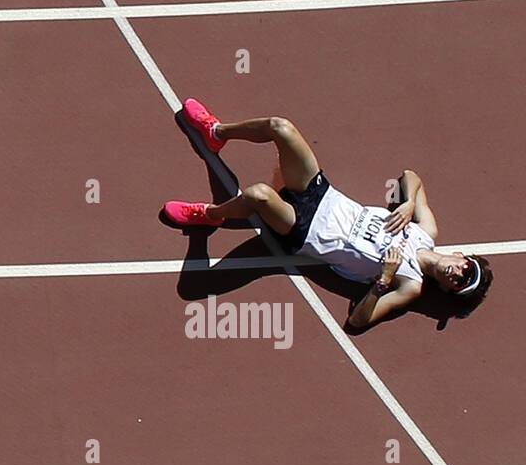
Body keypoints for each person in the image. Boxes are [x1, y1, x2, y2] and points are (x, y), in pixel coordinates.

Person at [160, 99, 493, 329]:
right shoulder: (426, 232)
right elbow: (410, 175)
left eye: (460, 284)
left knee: (257, 195)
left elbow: (358, 321)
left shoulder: (410, 285)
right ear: (463, 256)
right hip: (322, 195)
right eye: (467, 270)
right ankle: (216, 132)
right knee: (282, 127)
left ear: (448, 291)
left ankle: (211, 215)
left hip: (303, 230)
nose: (457, 275)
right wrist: (408, 203)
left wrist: (384, 278)